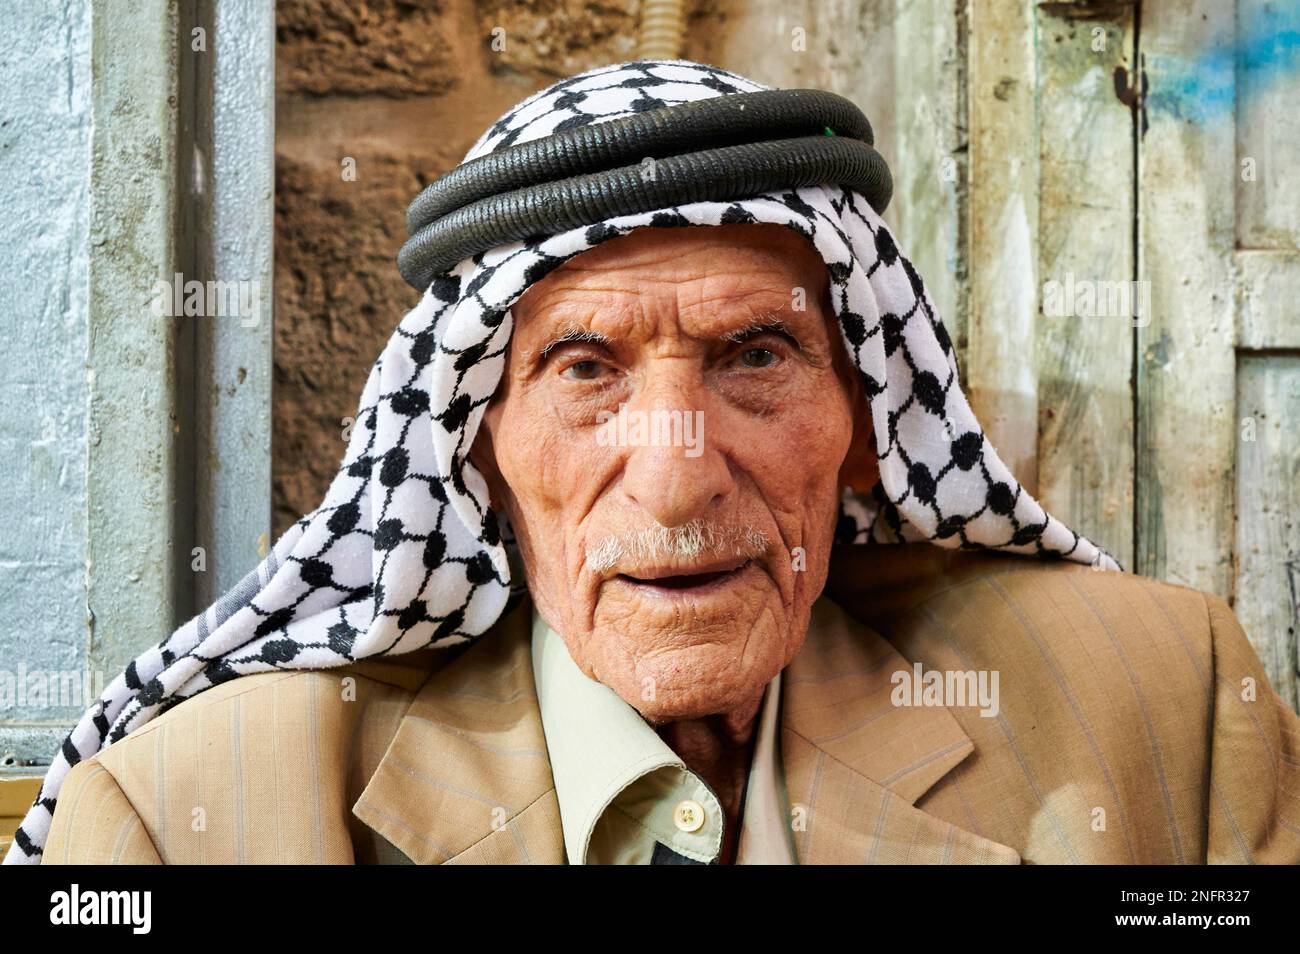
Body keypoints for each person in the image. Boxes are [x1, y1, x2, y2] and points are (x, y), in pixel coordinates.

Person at [15, 59, 1300, 866]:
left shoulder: (1159, 710)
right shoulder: (189, 820)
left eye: (755, 356)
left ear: (866, 422)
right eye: (584, 370)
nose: (678, 480)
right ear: (479, 450)